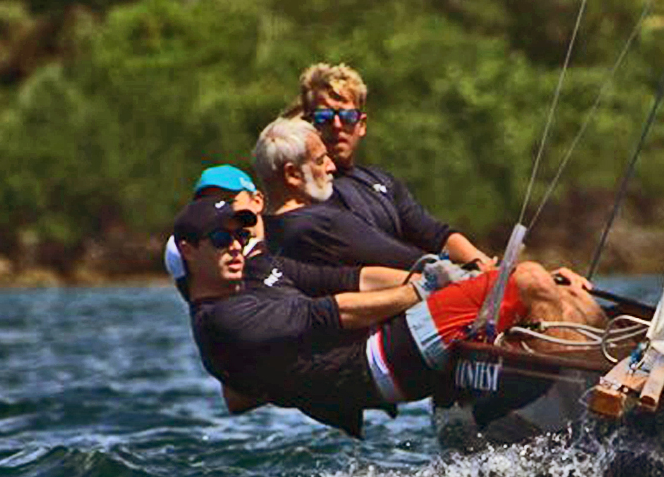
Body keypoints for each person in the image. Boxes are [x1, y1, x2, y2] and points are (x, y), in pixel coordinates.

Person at [174, 196, 606, 437]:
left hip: (389, 341)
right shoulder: (223, 321)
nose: (234, 245)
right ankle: (598, 418)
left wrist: (440, 274)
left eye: (239, 235)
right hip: (381, 360)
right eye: (219, 238)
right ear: (189, 251)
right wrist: (419, 291)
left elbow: (348, 279)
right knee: (528, 282)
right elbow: (332, 314)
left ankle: (612, 382)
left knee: (554, 288)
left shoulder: (255, 275)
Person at [262, 62, 492, 269]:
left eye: (348, 116)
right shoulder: (306, 190)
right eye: (324, 117)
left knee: (522, 277)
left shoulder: (381, 181)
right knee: (527, 279)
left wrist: (479, 263)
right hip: (371, 299)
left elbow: (433, 233)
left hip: (417, 285)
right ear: (309, 123)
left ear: (361, 125)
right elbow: (374, 252)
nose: (337, 125)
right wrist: (442, 271)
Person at [254, 117, 438, 269]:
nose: (331, 166)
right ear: (292, 174)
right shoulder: (325, 224)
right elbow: (418, 263)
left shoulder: (262, 236)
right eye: (320, 161)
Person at [164, 165, 266, 300]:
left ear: (257, 201)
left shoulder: (288, 233)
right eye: (209, 203)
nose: (221, 210)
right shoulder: (179, 247)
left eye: (228, 201)